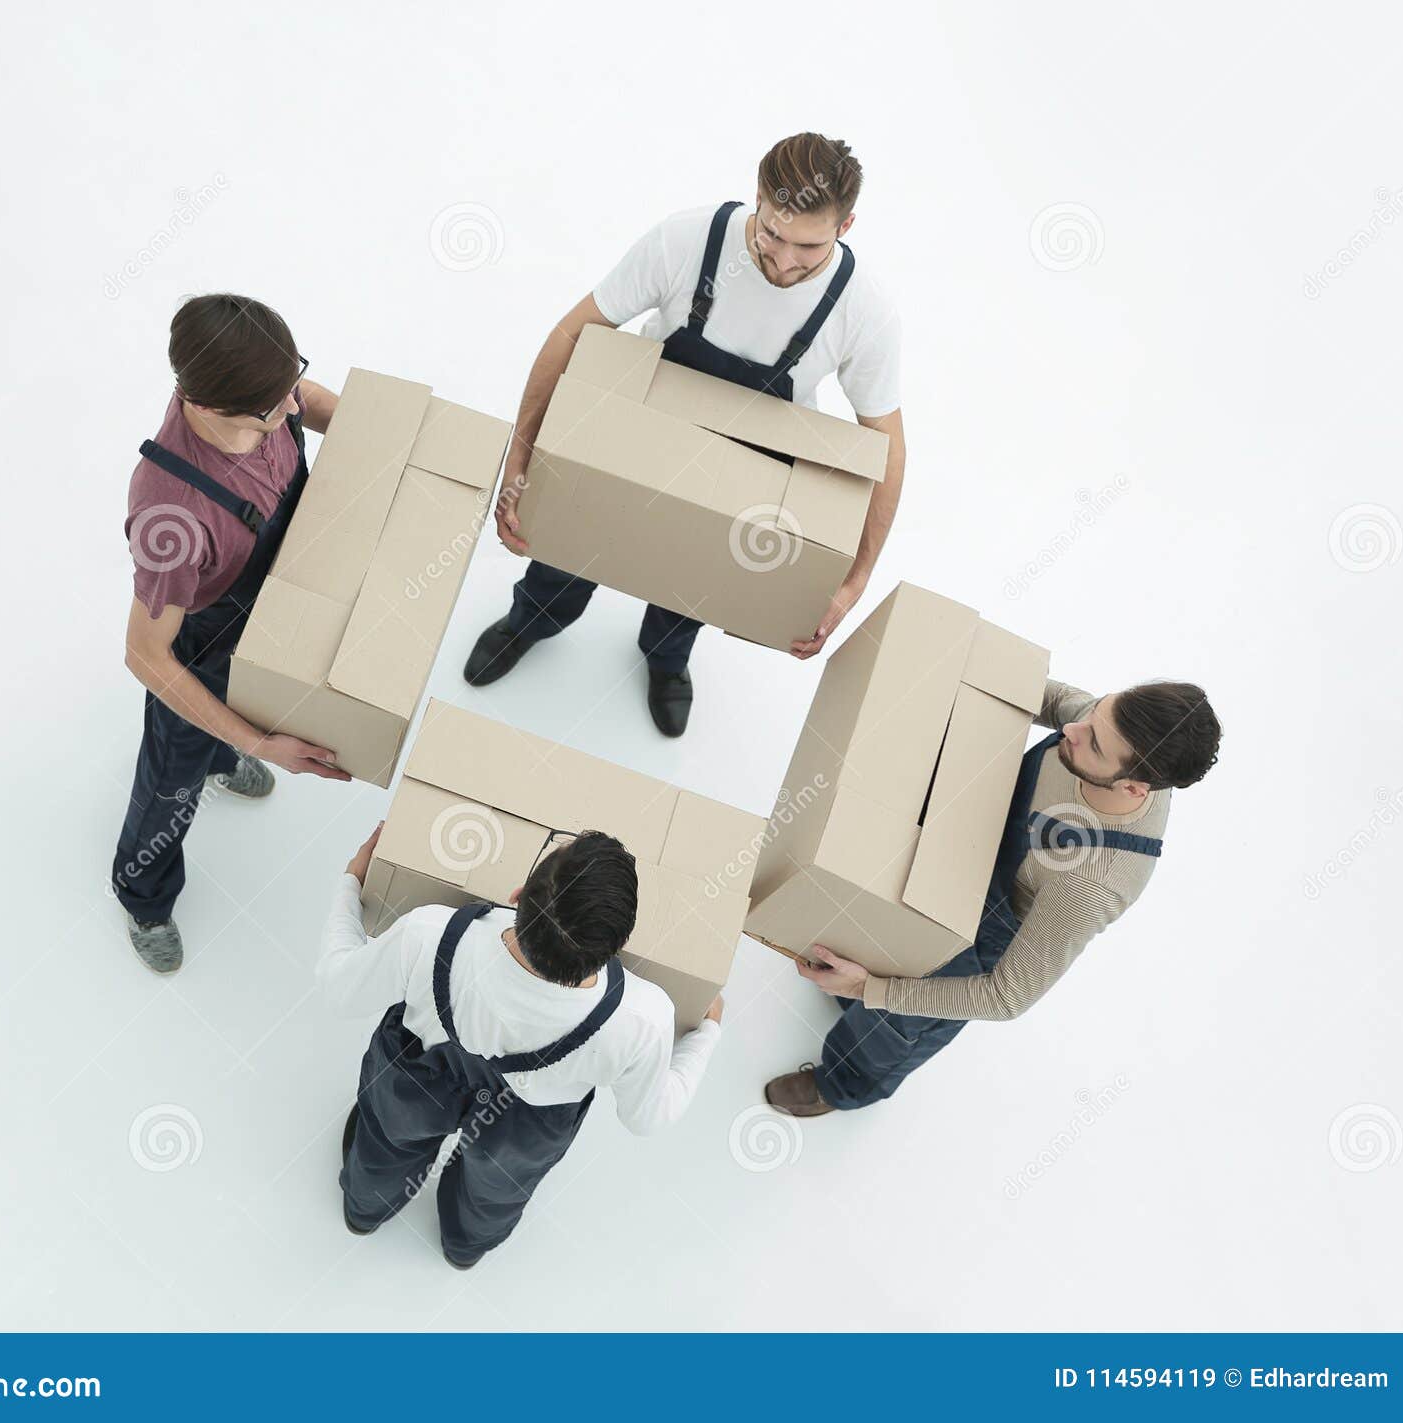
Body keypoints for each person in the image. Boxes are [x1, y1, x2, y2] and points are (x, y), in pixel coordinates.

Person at [464, 132, 907, 737]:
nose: (781, 260)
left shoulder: (864, 309)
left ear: (847, 225)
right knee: (572, 534)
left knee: (697, 579)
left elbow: (886, 445)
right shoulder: (686, 240)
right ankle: (534, 618)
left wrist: (855, 579)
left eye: (808, 246)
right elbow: (573, 331)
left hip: (739, 467)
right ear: (756, 197)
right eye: (771, 234)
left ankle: (667, 657)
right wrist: (519, 458)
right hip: (632, 426)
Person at [764, 679, 1222, 1115]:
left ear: (1134, 788)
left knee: (894, 1025)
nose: (1072, 729)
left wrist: (871, 989)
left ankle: (844, 1084)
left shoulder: (1093, 881)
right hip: (959, 855)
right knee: (876, 940)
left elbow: (1005, 998)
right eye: (1095, 713)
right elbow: (1049, 696)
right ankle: (856, 992)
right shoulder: (1107, 728)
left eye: (1094, 743)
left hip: (981, 937)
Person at [320, 824, 723, 1269]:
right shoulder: (643, 1017)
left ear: (517, 894)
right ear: (619, 946)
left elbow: (340, 988)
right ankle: (463, 1247)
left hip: (417, 1076)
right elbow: (648, 1117)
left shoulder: (429, 932)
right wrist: (705, 1036)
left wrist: (350, 884)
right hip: (528, 1123)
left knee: (387, 1144)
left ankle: (365, 1211)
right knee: (494, 1192)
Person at [111, 294, 352, 975]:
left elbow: (309, 398)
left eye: (290, 384)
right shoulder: (171, 514)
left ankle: (223, 753)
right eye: (275, 408)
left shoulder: (262, 385)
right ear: (211, 407)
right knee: (171, 785)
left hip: (272, 606)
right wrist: (261, 743)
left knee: (241, 711)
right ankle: (143, 893)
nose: (292, 408)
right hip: (202, 643)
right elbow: (144, 654)